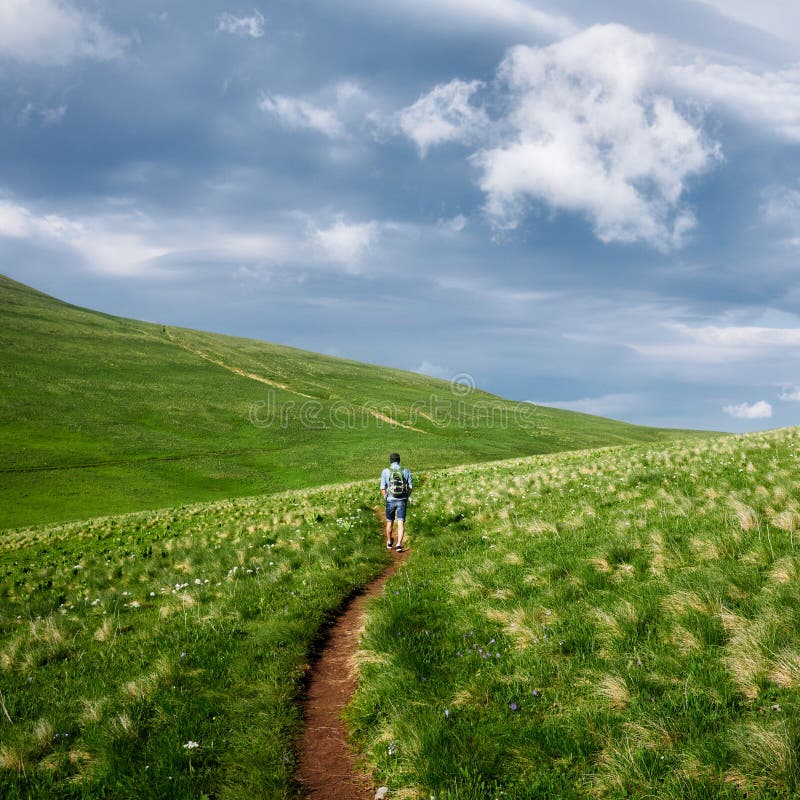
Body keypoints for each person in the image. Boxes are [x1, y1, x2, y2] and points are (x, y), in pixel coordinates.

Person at [380, 452, 412, 553]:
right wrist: (407, 496)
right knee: (400, 523)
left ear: (390, 460)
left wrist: (386, 497)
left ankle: (389, 542)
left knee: (389, 522)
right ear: (399, 460)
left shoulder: (385, 471)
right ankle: (399, 544)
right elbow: (410, 487)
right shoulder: (405, 471)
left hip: (390, 499)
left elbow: (382, 487)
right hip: (402, 499)